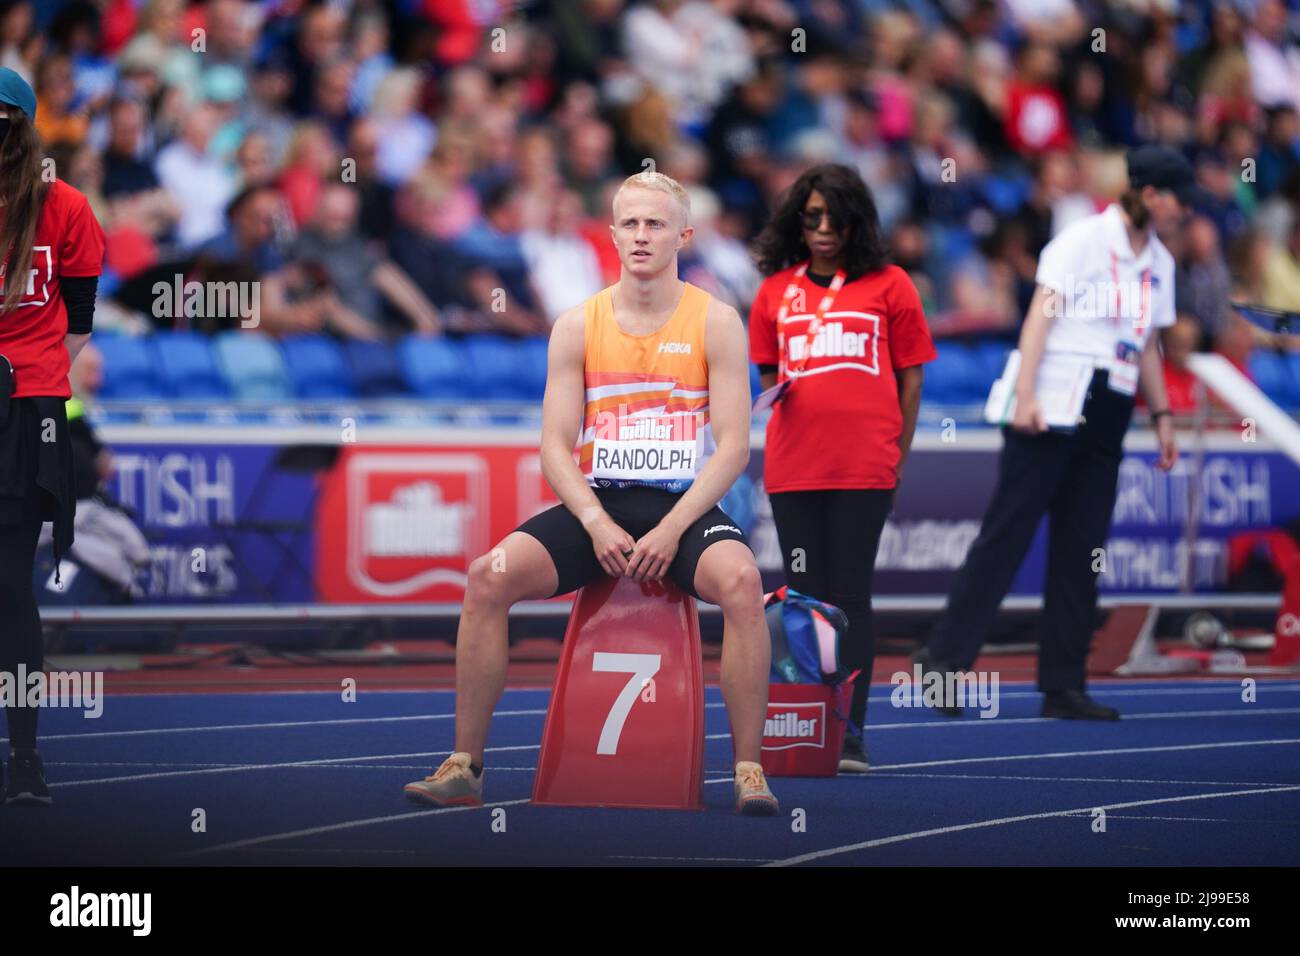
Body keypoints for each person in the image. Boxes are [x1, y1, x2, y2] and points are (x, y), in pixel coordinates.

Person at [404, 170, 780, 815]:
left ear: (683, 235)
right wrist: (594, 521)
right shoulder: (576, 324)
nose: (641, 236)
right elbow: (554, 445)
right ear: (610, 233)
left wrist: (669, 530)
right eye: (629, 223)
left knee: (745, 585)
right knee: (486, 576)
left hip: (683, 510)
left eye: (655, 224)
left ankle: (749, 770)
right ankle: (465, 764)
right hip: (597, 506)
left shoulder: (717, 322)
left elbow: (735, 449)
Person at [915, 145, 1187, 720]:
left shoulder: (1158, 262)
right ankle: (942, 665)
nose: (1183, 214)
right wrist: (1028, 394)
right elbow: (1041, 314)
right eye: (1177, 202)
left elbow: (1148, 345)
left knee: (1084, 546)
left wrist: (1162, 416)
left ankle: (1062, 684)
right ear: (1151, 195)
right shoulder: (1083, 240)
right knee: (1007, 534)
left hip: (1111, 399)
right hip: (1059, 394)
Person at [749, 163, 936, 773]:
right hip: (794, 471)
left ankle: (850, 734)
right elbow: (769, 382)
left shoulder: (892, 284)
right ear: (797, 223)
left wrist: (897, 455)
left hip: (863, 471)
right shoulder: (775, 292)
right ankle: (806, 726)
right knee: (804, 598)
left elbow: (911, 380)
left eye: (836, 217)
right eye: (812, 217)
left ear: (857, 221)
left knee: (850, 595)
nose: (824, 228)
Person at [0, 67, 105, 804]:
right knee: (12, 593)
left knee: (9, 591)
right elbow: (80, 326)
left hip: (25, 410)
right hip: (31, 412)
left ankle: (27, 756)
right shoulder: (66, 204)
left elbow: (82, 323)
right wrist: (34, 374)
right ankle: (26, 760)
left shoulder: (64, 206)